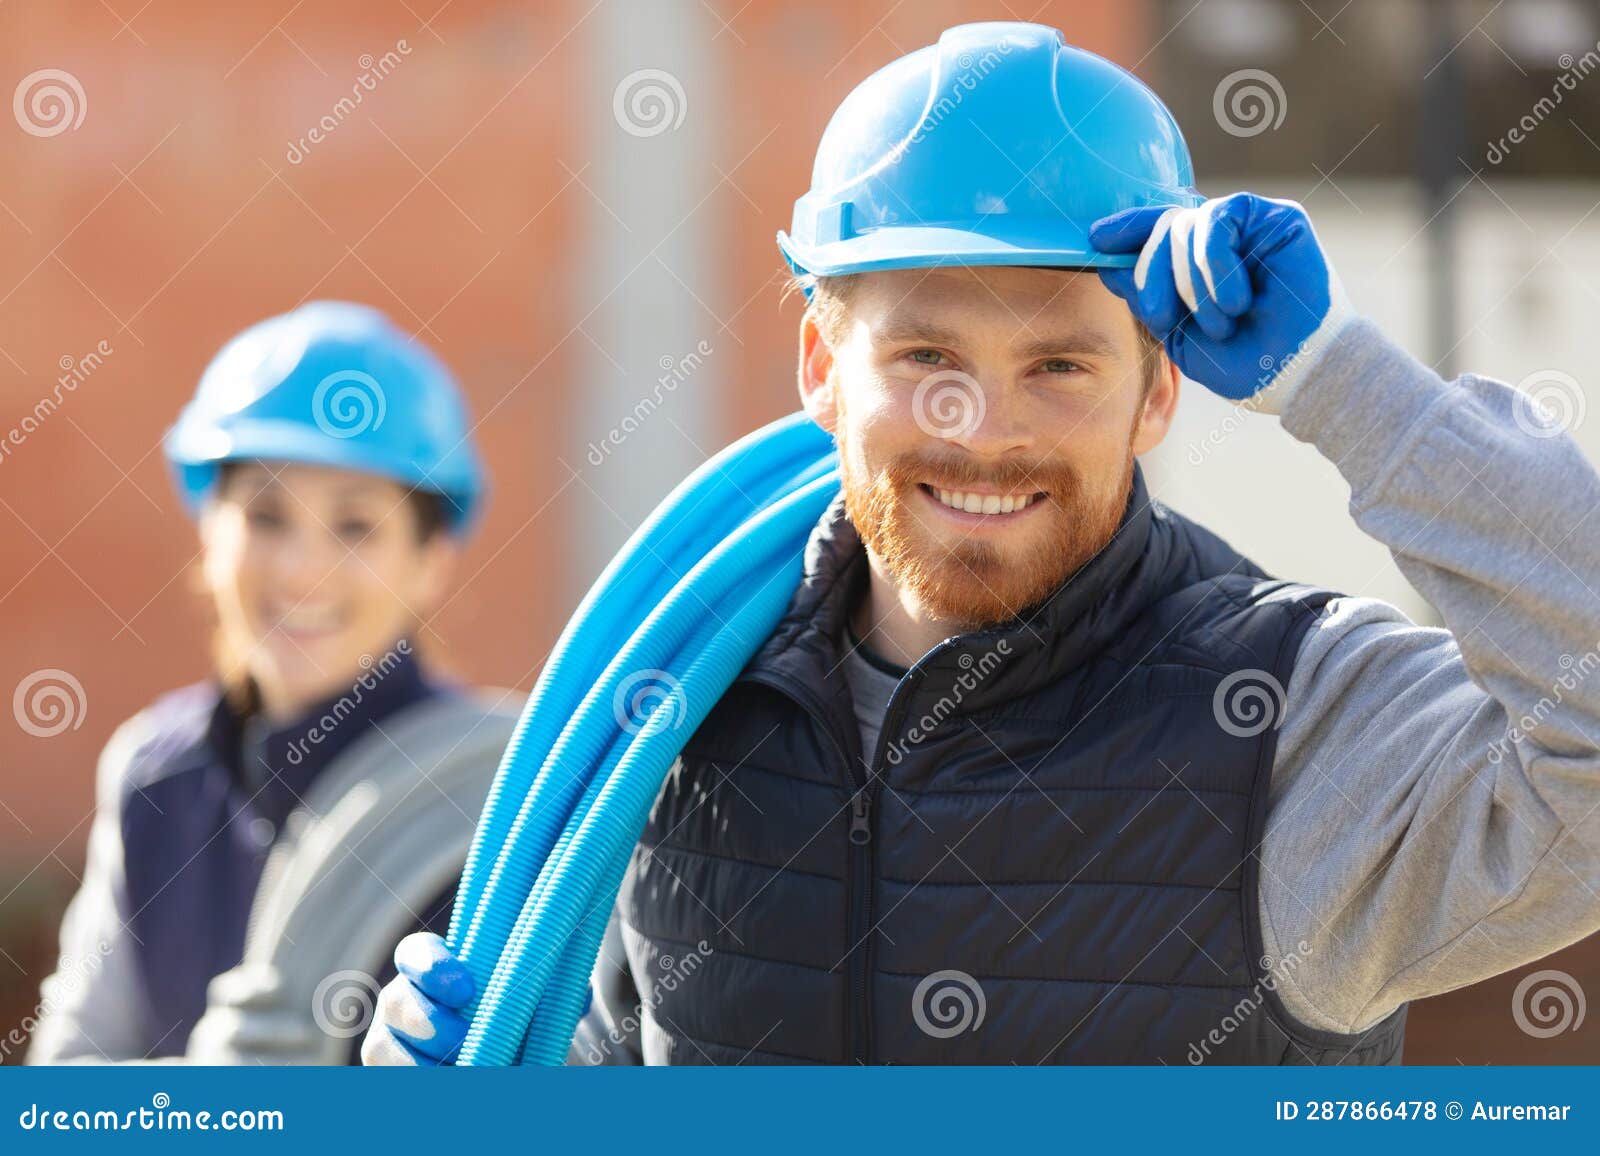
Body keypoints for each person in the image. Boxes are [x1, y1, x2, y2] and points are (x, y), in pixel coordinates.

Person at [364, 22, 1600, 1065]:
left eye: (1059, 364)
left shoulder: (1290, 722)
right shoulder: (685, 686)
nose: (984, 430)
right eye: (925, 357)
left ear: (1158, 391)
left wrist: (1338, 381)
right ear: (819, 368)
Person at [28, 301, 516, 1063]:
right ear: (207, 529)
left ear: (431, 561)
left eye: (355, 526)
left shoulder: (505, 795)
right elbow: (61, 1090)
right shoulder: (156, 775)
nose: (300, 569)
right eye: (265, 515)